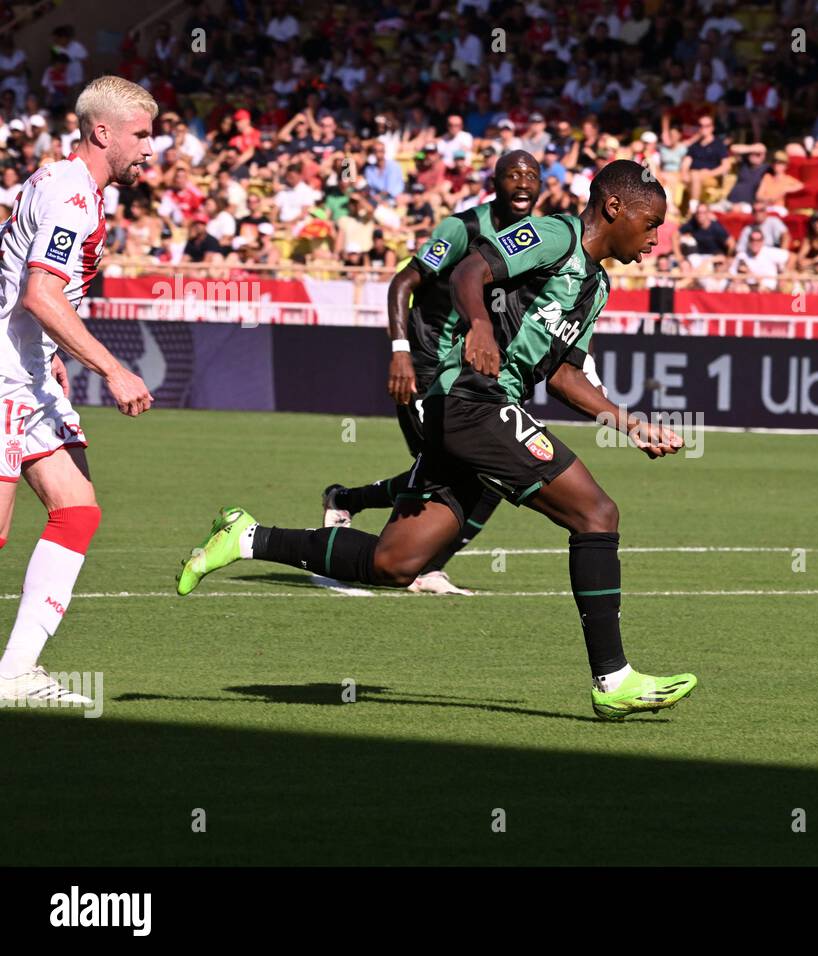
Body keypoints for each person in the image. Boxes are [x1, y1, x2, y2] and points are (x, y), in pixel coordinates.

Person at [175, 161, 697, 720]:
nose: (655, 239)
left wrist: (628, 422)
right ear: (614, 208)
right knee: (596, 514)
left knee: (395, 564)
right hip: (472, 401)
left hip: (484, 410)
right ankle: (613, 679)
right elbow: (469, 269)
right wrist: (476, 325)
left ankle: (247, 536)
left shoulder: (595, 287)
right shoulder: (554, 236)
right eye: (651, 223)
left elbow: (566, 375)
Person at [320, 151, 545, 595]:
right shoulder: (464, 228)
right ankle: (356, 556)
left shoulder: (536, 238)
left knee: (487, 476)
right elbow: (403, 282)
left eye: (531, 176)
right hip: (425, 366)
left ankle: (393, 539)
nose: (522, 183)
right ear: (495, 181)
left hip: (470, 378)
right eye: (512, 175)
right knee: (444, 473)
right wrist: (400, 351)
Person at [0, 76, 156, 704]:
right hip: (5, 371)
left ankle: (14, 671)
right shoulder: (70, 195)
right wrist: (112, 369)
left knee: (78, 509)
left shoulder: (69, 186)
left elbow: (35, 291)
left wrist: (56, 352)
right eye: (142, 136)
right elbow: (39, 293)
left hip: (28, 366)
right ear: (103, 133)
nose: (151, 149)